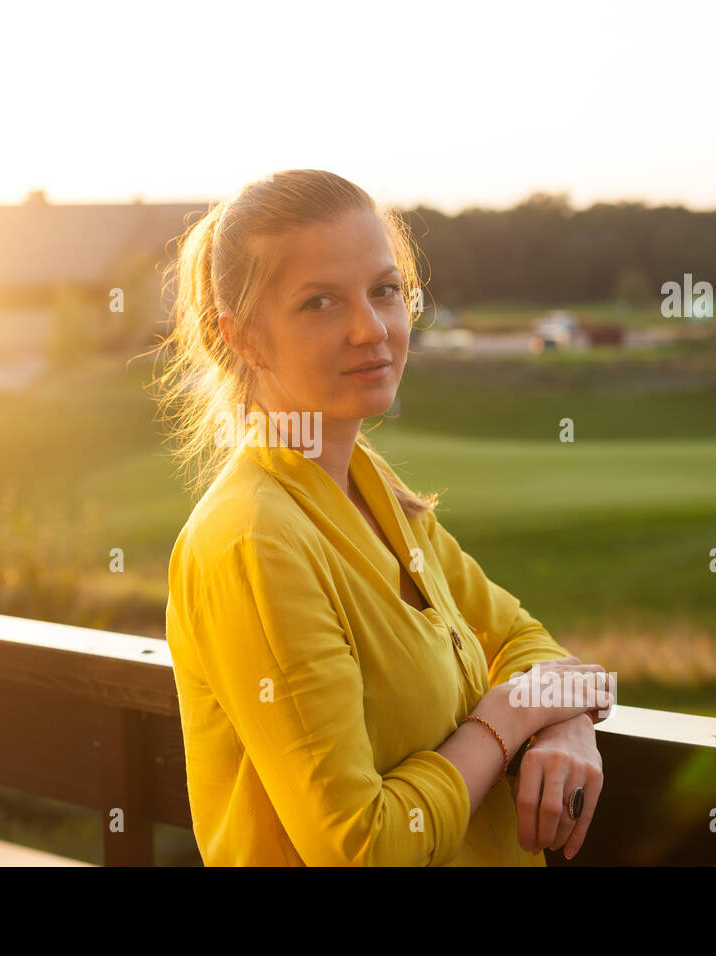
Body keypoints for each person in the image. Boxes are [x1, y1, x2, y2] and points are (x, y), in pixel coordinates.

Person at [151, 169, 610, 866]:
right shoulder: (254, 542)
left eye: (385, 290)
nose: (370, 328)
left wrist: (567, 723)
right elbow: (362, 850)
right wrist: (509, 719)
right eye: (320, 303)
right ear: (243, 337)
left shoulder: (371, 485)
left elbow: (518, 636)